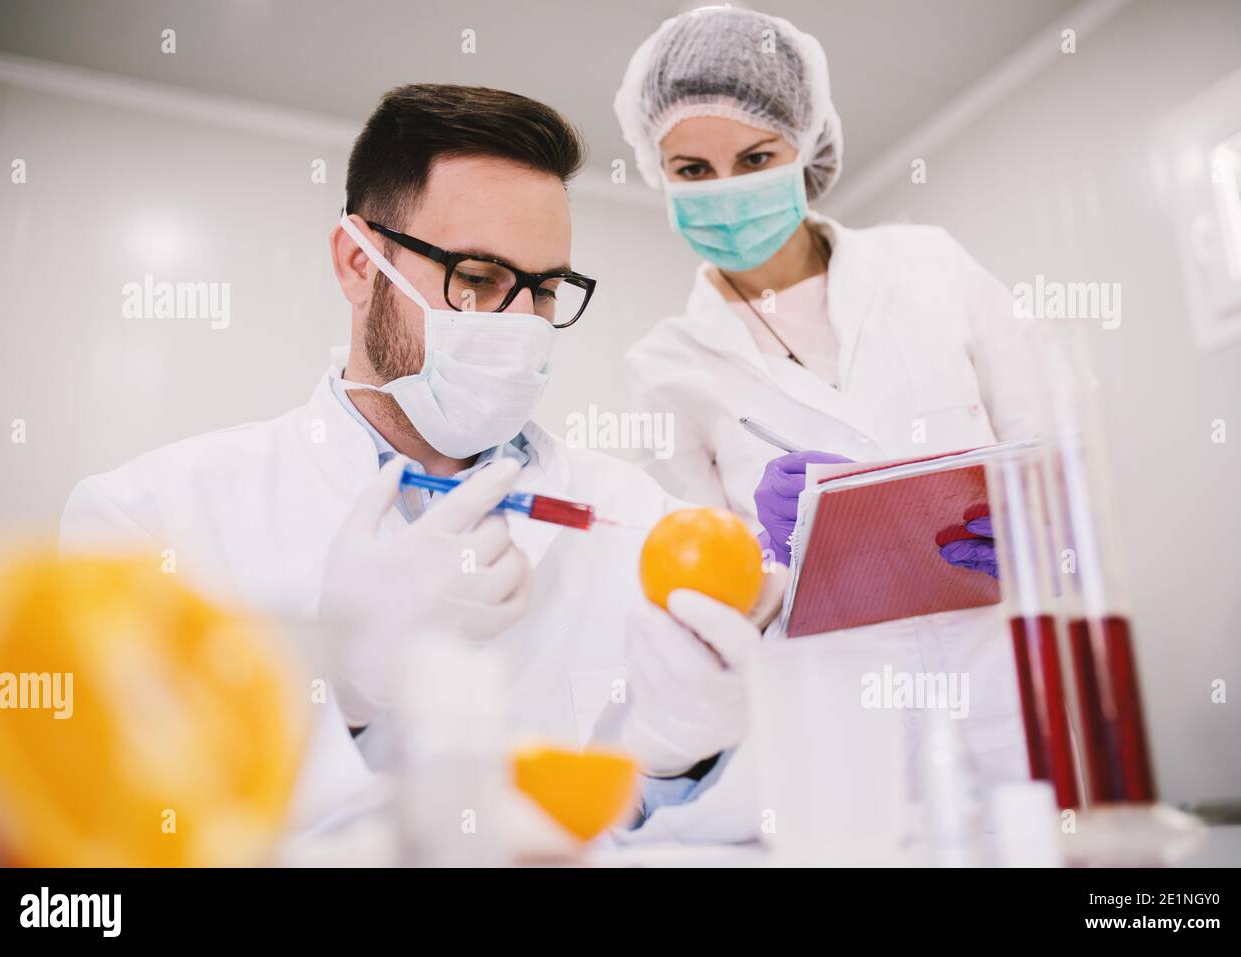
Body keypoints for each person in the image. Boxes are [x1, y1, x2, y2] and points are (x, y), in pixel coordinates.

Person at [60, 84, 774, 843]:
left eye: (545, 290)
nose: (521, 326)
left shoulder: (639, 517)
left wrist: (672, 768)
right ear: (357, 265)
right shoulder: (152, 519)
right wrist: (343, 689)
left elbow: (743, 835)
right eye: (476, 279)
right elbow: (112, 835)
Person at [615, 8, 1043, 784]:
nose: (726, 190)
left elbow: (1052, 446)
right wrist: (772, 560)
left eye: (754, 157)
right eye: (692, 170)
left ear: (804, 142)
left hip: (1010, 687)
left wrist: (1030, 527)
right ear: (658, 170)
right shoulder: (666, 365)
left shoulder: (928, 265)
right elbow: (702, 606)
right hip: (839, 728)